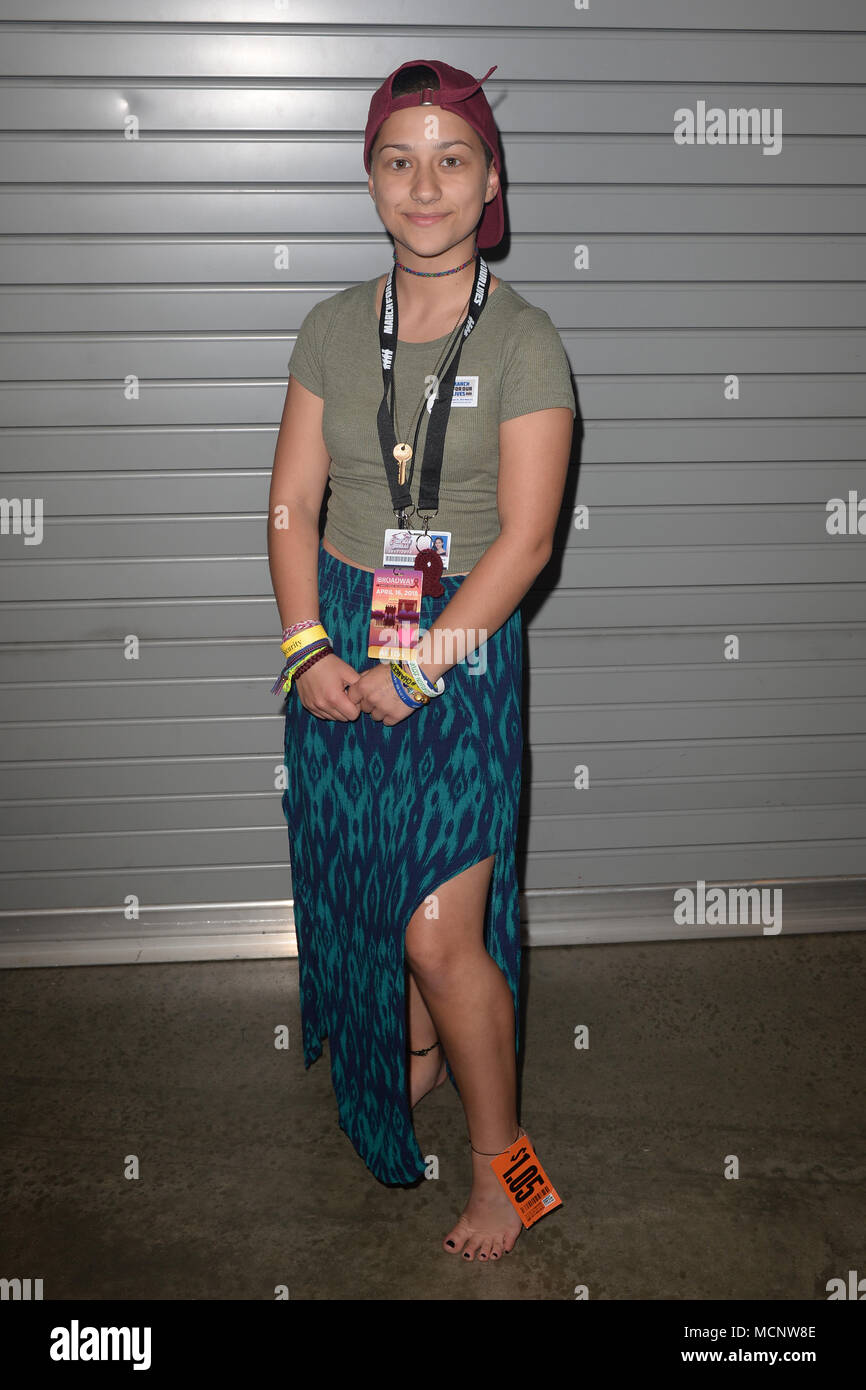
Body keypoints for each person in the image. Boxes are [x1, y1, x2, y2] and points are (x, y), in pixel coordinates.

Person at [267, 58, 575, 1263]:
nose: (423, 183)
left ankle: (509, 1169)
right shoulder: (334, 327)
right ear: (371, 181)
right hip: (341, 627)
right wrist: (306, 650)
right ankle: (417, 1050)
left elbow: (529, 538)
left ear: (488, 179)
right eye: (398, 159)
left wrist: (419, 667)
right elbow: (292, 504)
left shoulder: (529, 340)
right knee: (368, 886)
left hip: (466, 642)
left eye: (451, 159)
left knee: (442, 929)